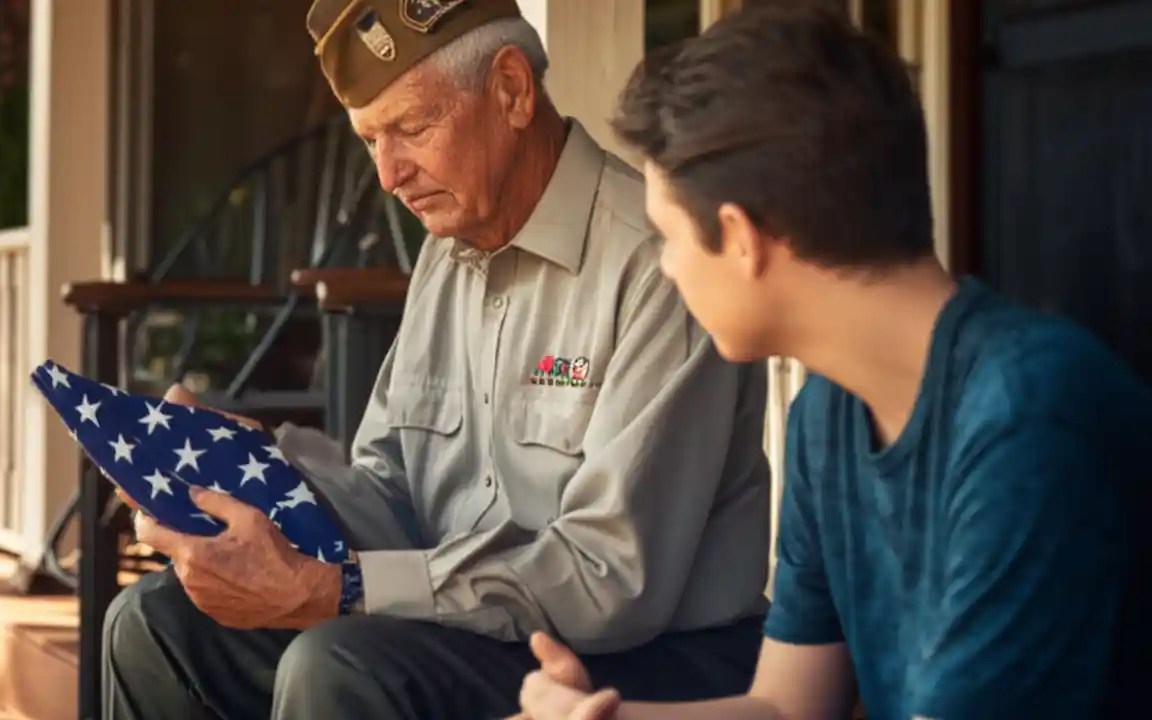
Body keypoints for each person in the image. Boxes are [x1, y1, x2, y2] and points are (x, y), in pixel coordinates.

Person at [101, 1, 775, 718]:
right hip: (471, 625)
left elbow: (609, 578)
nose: (389, 174)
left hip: (652, 654)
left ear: (512, 90)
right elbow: (394, 492)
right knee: (155, 624)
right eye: (370, 141)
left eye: (412, 128)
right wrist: (258, 470)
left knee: (337, 664)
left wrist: (342, 591)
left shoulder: (656, 259)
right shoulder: (449, 250)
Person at [513, 4, 1151, 720]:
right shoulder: (828, 414)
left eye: (665, 235)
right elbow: (788, 709)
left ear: (741, 238)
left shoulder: (1032, 419)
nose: (665, 268)